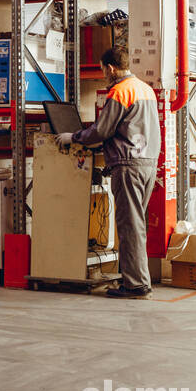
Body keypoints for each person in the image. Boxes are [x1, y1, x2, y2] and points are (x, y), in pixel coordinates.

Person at [56, 46, 161, 299]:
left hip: (128, 165)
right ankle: (138, 280)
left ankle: (136, 285)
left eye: (104, 70)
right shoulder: (145, 89)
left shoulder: (120, 91)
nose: (104, 74)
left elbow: (102, 131)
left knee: (130, 226)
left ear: (111, 68)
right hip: (147, 163)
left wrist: (73, 137)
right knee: (136, 224)